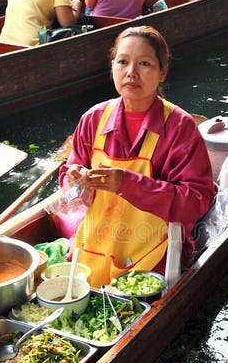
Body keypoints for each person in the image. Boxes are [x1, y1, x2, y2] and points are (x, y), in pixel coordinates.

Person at [59, 25, 215, 287]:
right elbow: (69, 181)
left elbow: (197, 200)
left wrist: (128, 185)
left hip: (155, 252)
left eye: (144, 63)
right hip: (95, 244)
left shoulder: (179, 127)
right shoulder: (93, 119)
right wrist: (75, 179)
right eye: (123, 62)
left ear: (162, 72)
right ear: (112, 66)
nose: (131, 73)